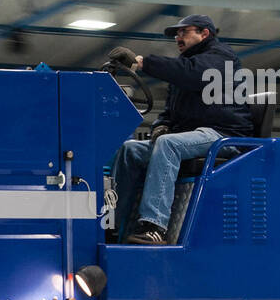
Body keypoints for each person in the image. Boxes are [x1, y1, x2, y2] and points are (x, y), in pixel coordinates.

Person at [106, 14, 253, 245]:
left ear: (204, 33)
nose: (178, 37)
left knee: (168, 144)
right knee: (130, 150)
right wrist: (161, 125)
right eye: (177, 34)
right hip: (195, 136)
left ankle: (154, 226)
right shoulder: (184, 69)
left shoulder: (221, 58)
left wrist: (141, 63)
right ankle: (111, 224)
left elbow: (191, 73)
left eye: (184, 32)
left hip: (223, 135)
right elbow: (170, 111)